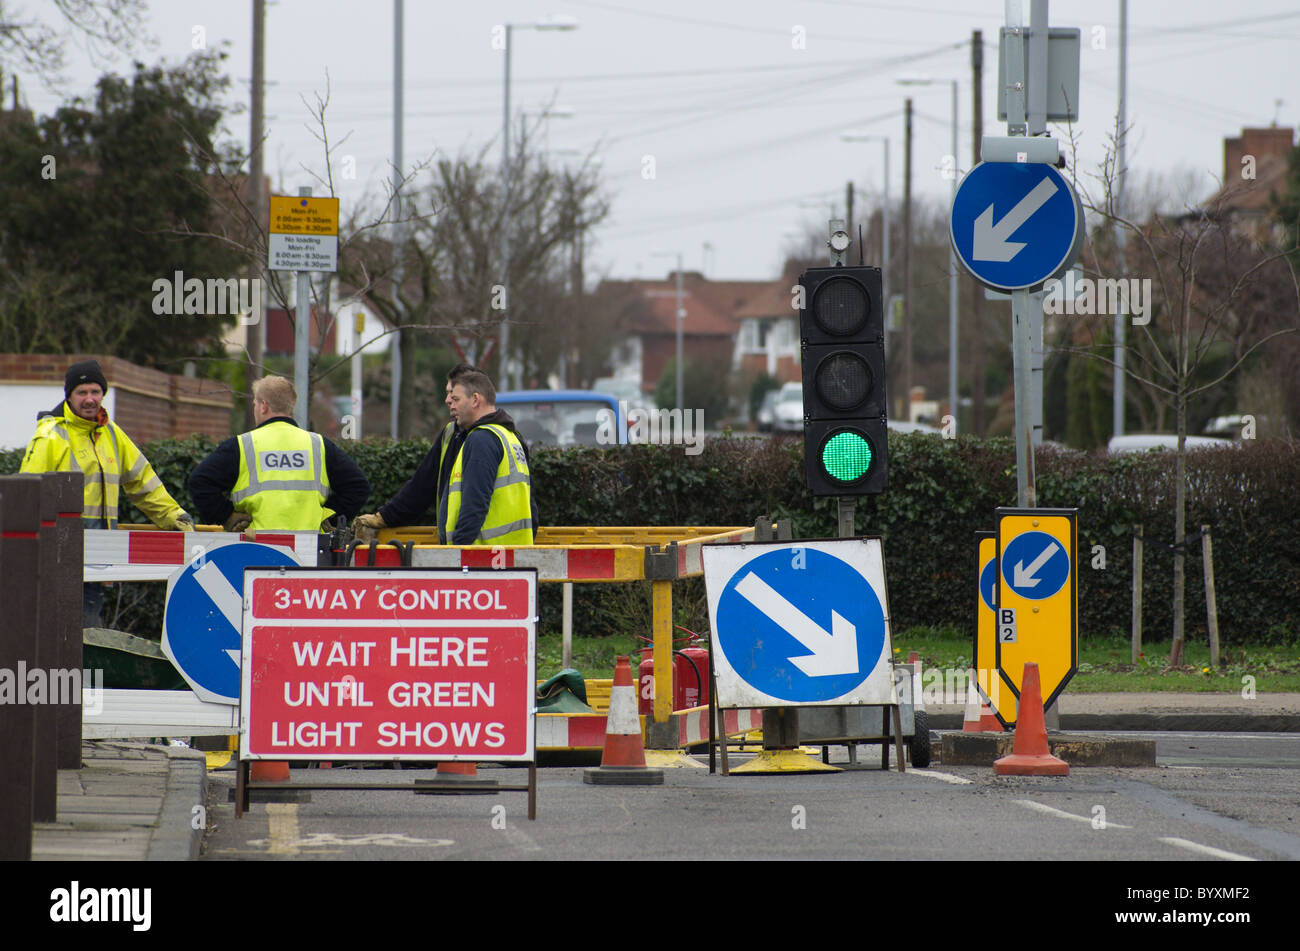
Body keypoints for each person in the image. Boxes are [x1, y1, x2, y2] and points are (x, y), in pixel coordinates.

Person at [21, 359, 195, 627]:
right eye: (82, 392)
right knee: (67, 639)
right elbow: (27, 497)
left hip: (97, 560)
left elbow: (143, 483)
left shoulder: (112, 435)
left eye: (95, 391)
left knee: (85, 638)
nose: (90, 399)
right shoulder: (51, 437)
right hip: (58, 561)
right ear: (68, 396)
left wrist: (174, 515)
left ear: (103, 393)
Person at [353, 364, 535, 545]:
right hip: (508, 557)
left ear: (475, 398)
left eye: (454, 396)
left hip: (485, 559)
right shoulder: (507, 436)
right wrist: (385, 517)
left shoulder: (482, 439)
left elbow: (474, 505)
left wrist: (456, 554)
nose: (448, 401)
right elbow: (422, 486)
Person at [188, 375, 370, 533]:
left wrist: (227, 516)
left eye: (255, 404)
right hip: (309, 549)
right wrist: (328, 519)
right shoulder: (319, 445)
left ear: (263, 406)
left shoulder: (242, 446)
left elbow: (200, 482)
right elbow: (358, 486)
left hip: (254, 547)